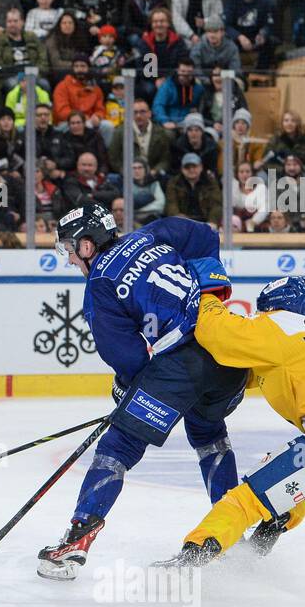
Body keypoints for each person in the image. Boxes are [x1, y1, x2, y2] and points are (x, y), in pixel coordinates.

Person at [36, 205, 245, 581]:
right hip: (230, 352)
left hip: (182, 366)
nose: (69, 258)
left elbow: (125, 356)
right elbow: (205, 235)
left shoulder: (100, 283)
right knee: (208, 434)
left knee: (118, 446)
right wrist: (210, 290)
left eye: (70, 249)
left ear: (87, 246)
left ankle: (77, 541)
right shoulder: (151, 235)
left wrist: (128, 389)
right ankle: (231, 531)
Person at [156, 274, 305, 566]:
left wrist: (208, 294)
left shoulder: (277, 326)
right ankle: (273, 526)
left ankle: (191, 557)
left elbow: (215, 333)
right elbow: (264, 371)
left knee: (245, 499)